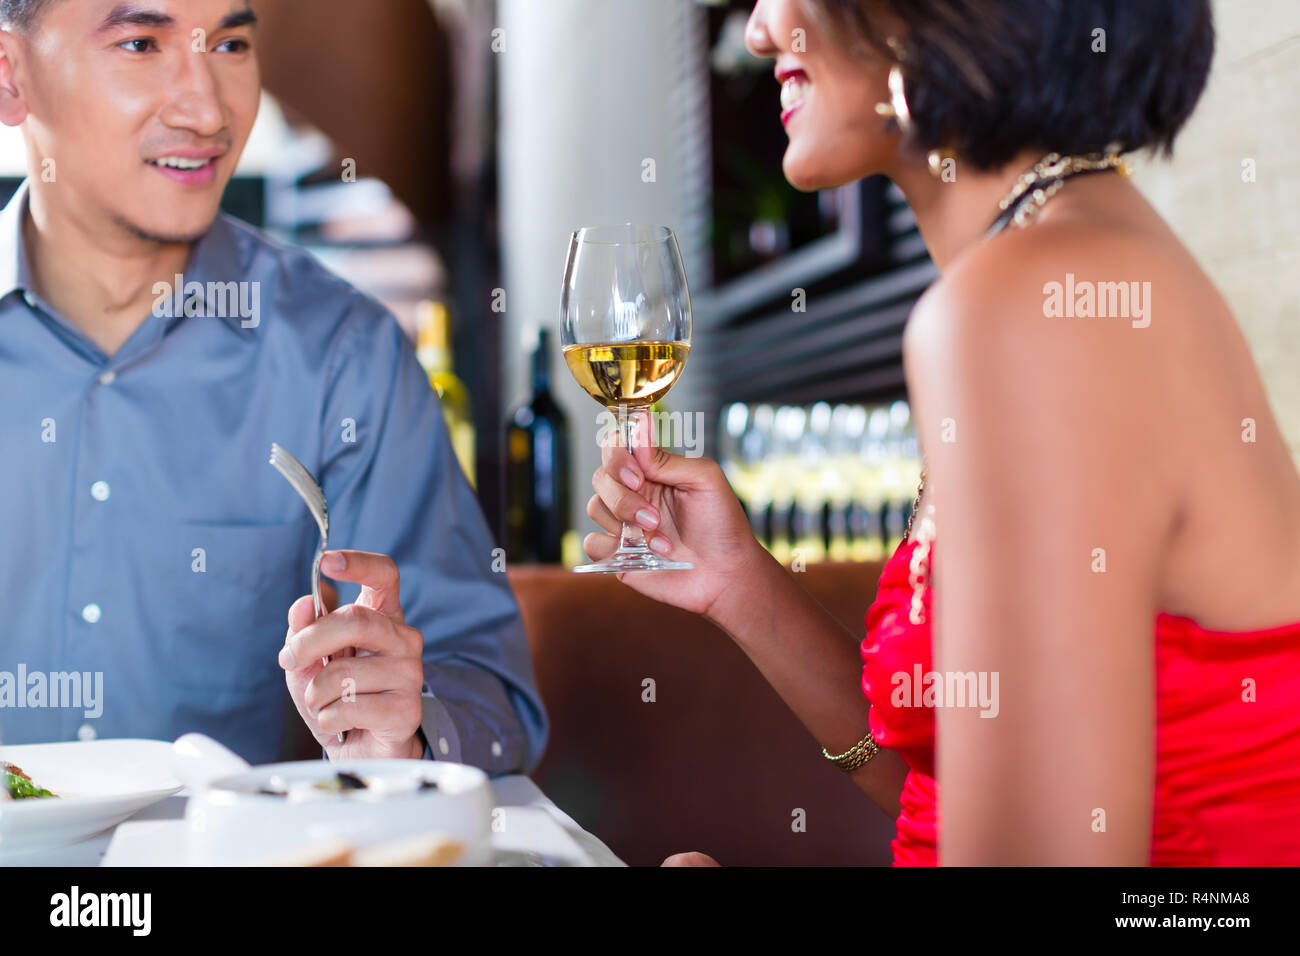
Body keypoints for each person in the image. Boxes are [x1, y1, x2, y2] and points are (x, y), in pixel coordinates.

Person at [588, 0, 1300, 865]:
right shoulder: (1061, 265)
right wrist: (737, 583)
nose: (761, 29)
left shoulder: (1033, 302)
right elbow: (950, 791)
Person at [0, 0, 546, 771]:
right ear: (10, 76)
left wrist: (408, 727)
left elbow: (493, 703)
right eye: (140, 43)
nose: (207, 108)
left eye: (229, 43)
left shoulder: (342, 357)